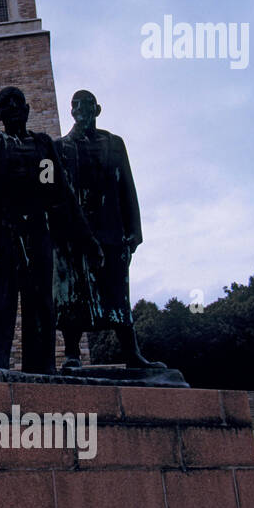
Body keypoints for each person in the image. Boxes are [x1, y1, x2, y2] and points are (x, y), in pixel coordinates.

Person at [0, 86, 100, 374]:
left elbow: (60, 193)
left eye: (18, 102)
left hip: (38, 230)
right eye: (6, 103)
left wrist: (87, 239)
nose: (13, 107)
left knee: (41, 300)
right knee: (2, 298)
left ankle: (41, 369)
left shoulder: (42, 145)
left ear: (27, 109)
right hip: (6, 229)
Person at [54, 90, 164, 370]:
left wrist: (134, 230)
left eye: (87, 105)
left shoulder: (114, 144)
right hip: (74, 234)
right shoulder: (58, 148)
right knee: (74, 293)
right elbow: (50, 190)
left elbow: (127, 185)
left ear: (97, 109)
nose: (81, 110)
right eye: (76, 106)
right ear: (71, 111)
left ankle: (131, 352)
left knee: (117, 292)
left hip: (110, 229)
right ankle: (72, 353)